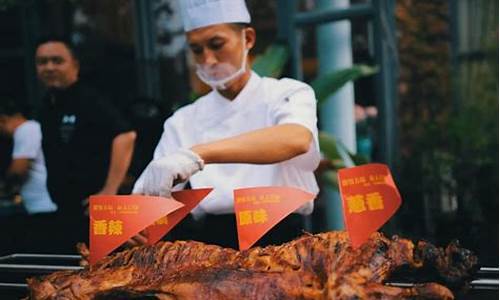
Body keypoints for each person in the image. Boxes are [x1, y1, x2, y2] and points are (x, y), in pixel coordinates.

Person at [132, 0, 320, 249]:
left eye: (217, 45)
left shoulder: (287, 92)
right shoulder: (183, 120)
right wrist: (138, 222)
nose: (208, 59)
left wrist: (195, 155)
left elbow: (295, 139)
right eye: (197, 50)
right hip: (213, 243)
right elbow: (154, 198)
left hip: (284, 240)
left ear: (248, 38)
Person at [35, 36, 137, 253]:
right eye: (42, 62)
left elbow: (125, 135)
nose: (49, 67)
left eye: (57, 61)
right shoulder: (47, 104)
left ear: (75, 65)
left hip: (95, 211)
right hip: (65, 209)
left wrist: (109, 190)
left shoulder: (89, 98)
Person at [0, 97, 58, 253]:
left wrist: (4, 188)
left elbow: (18, 169)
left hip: (43, 206)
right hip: (38, 206)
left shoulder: (26, 129)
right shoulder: (31, 129)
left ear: (3, 120)